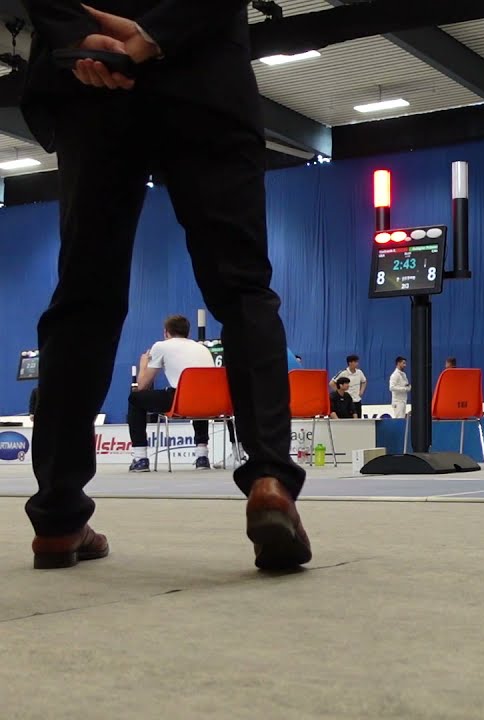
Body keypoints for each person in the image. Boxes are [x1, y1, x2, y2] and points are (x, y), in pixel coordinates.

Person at [20, 1, 310, 570]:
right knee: (243, 291)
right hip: (203, 75)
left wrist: (79, 34)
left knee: (83, 298)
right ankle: (270, 481)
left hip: (92, 85)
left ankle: (58, 515)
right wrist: (155, 33)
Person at [126, 315, 215, 472]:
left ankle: (140, 458)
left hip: (180, 401)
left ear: (166, 332)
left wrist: (143, 363)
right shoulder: (203, 348)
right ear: (188, 332)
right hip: (207, 402)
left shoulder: (161, 346)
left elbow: (142, 386)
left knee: (135, 398)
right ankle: (202, 457)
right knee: (197, 396)